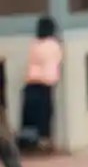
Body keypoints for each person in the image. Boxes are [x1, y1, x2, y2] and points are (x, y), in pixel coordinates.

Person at [19, 16, 61, 152]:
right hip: (45, 85)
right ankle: (44, 144)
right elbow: (57, 61)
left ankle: (28, 144)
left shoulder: (34, 44)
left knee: (30, 117)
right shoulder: (54, 45)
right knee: (45, 116)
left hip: (31, 83)